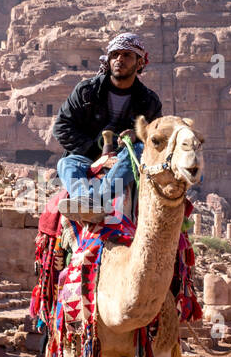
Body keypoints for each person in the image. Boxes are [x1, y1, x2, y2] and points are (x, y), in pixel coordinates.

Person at [51, 32, 163, 220]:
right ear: (109, 59)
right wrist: (96, 151)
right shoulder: (87, 91)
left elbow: (158, 139)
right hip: (89, 158)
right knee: (66, 163)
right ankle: (82, 201)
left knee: (139, 149)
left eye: (127, 55)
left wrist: (137, 135)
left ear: (139, 63)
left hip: (126, 161)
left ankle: (96, 201)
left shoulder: (149, 101)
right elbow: (62, 127)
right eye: (115, 54)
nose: (119, 59)